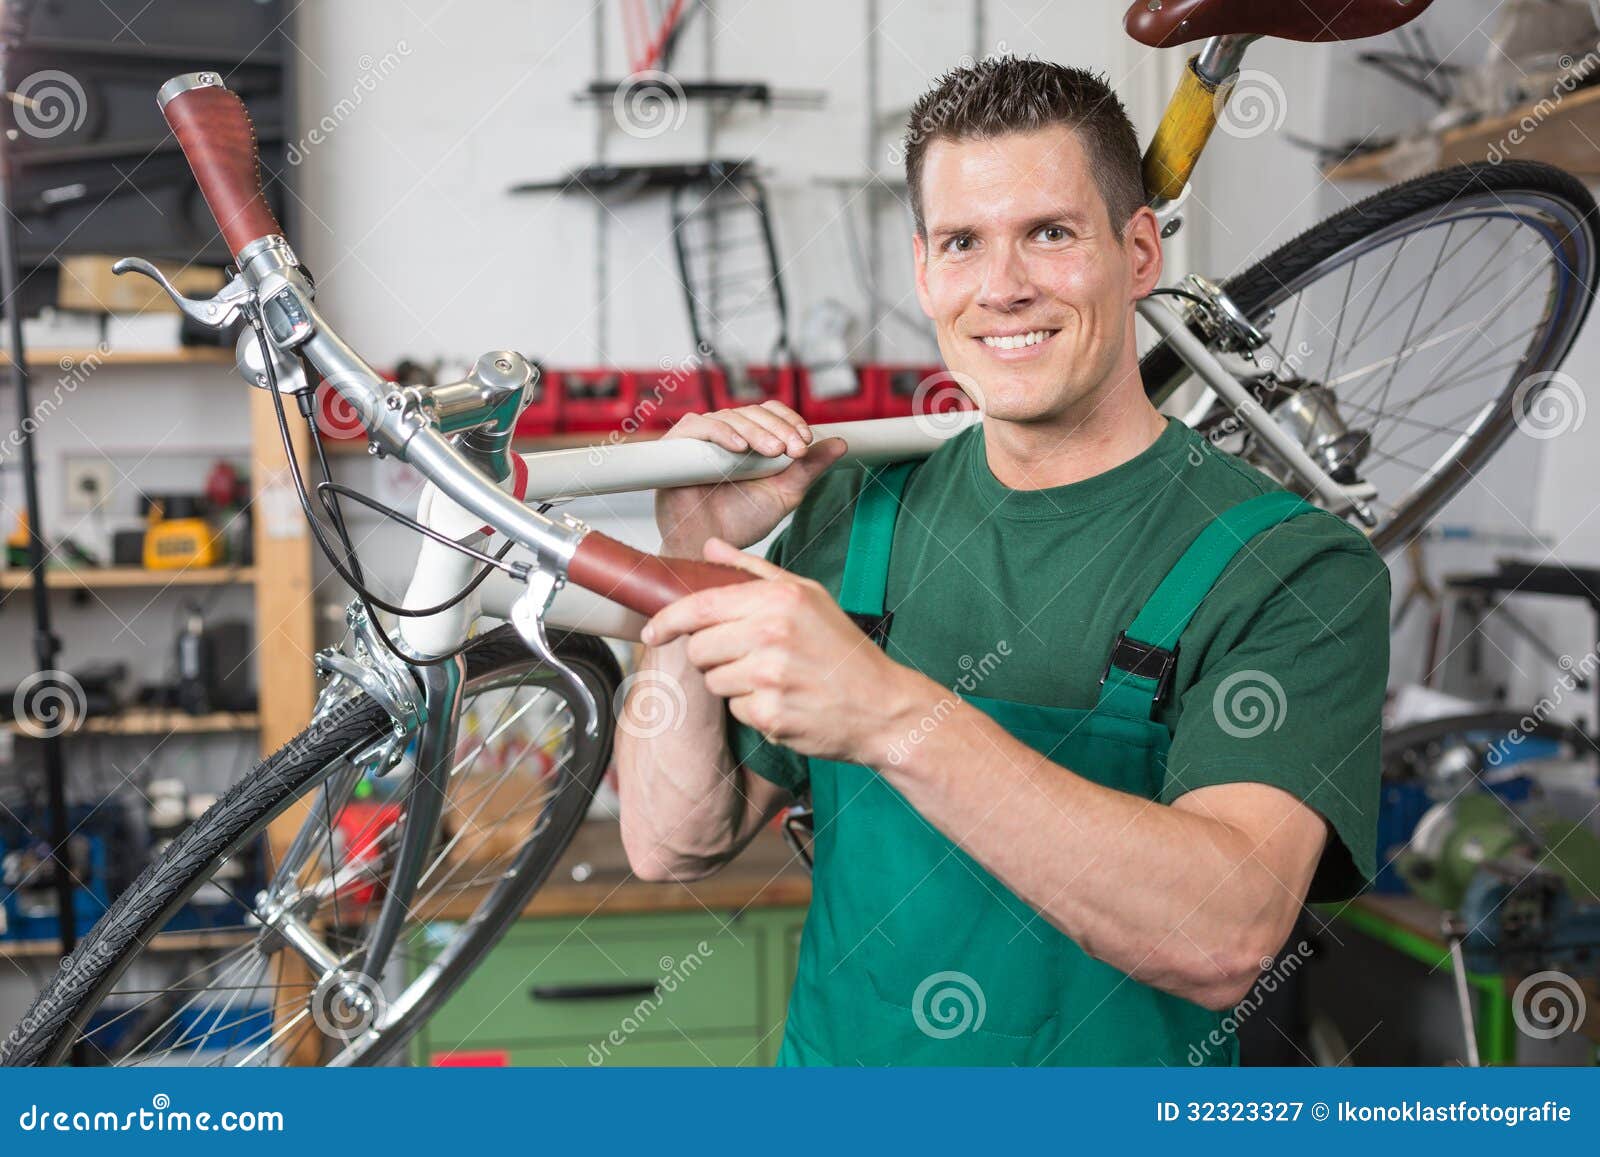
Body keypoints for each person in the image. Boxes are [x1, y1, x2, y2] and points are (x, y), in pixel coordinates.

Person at [613, 56, 1388, 1066]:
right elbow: (673, 840)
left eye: (1050, 233)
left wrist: (893, 713)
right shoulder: (860, 508)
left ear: (1138, 248)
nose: (1003, 287)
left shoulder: (1290, 566)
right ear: (924, 269)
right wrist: (694, 555)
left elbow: (1221, 933)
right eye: (963, 242)